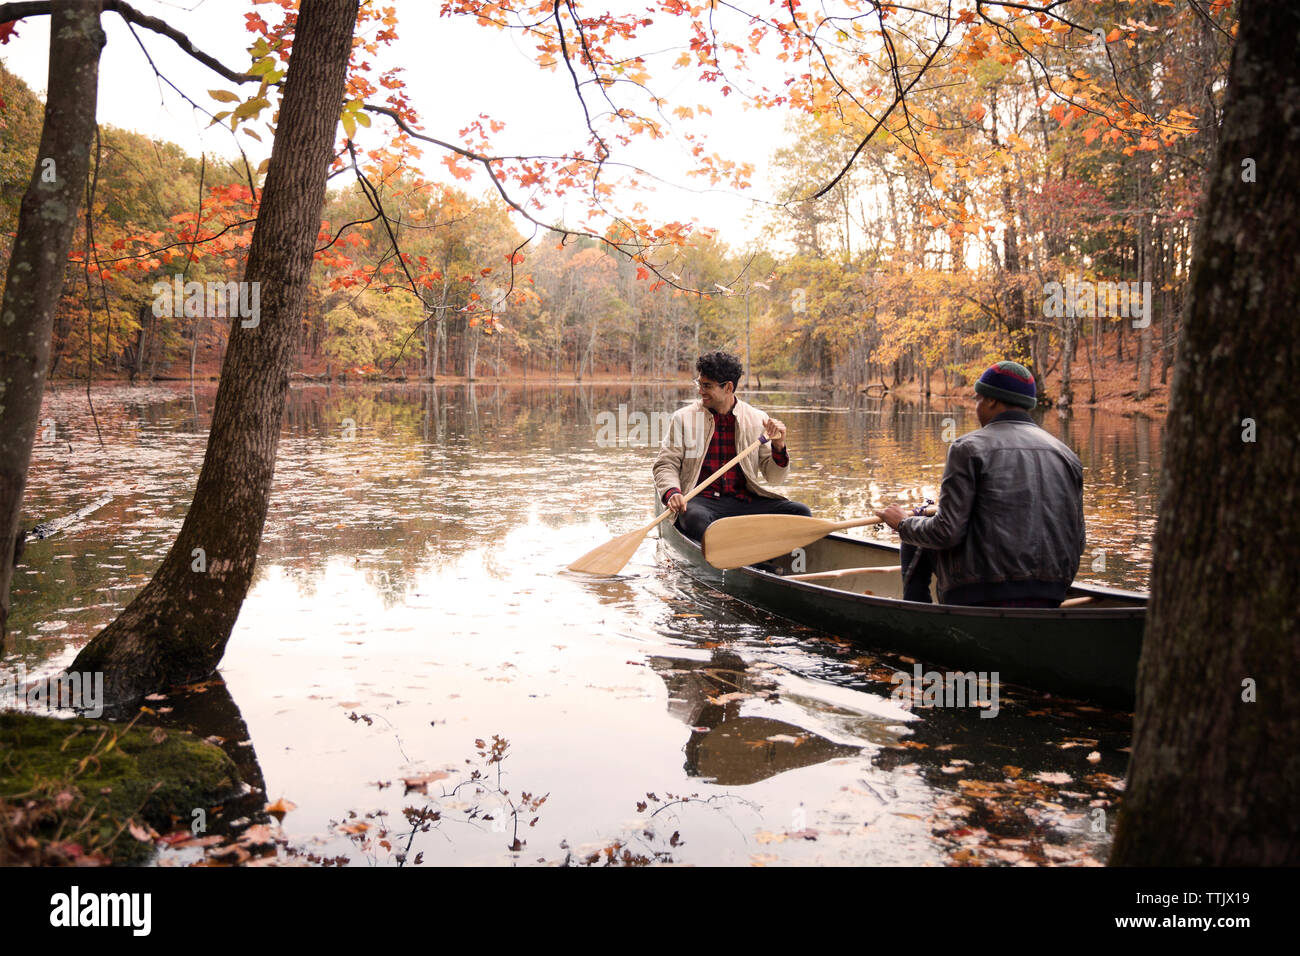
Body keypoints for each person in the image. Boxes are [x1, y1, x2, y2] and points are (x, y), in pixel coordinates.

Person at [874, 360, 1085, 607]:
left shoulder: (968, 449)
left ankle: (918, 616)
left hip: (981, 591)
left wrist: (902, 524)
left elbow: (946, 533)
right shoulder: (1067, 455)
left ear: (992, 401)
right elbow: (1078, 540)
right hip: (1053, 589)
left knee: (914, 537)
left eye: (977, 400)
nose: (976, 407)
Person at [654, 351, 812, 541]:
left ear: (728, 387)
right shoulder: (683, 418)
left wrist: (779, 446)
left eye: (707, 386)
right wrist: (673, 492)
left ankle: (750, 548)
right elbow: (666, 464)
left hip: (743, 502)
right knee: (694, 518)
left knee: (801, 512)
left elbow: (774, 478)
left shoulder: (757, 418)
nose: (700, 391)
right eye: (699, 383)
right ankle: (749, 554)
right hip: (701, 502)